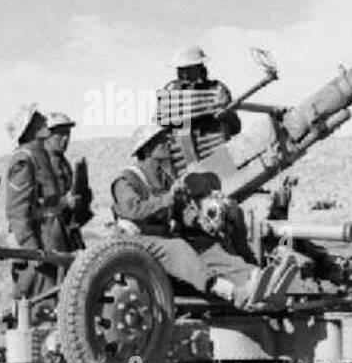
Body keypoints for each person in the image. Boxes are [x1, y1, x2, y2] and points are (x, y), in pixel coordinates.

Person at [111, 123, 272, 307]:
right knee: (177, 248)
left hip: (161, 237)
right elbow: (133, 210)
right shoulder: (126, 179)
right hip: (135, 239)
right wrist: (168, 199)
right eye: (161, 140)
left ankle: (252, 277)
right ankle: (227, 291)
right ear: (147, 149)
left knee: (207, 248)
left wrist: (201, 222)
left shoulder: (164, 177)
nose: (168, 142)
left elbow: (179, 211)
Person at [5, 104, 64, 304]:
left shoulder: (40, 154)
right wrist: (32, 249)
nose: (44, 119)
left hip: (49, 239)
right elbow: (16, 211)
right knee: (38, 304)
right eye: (38, 118)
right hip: (36, 244)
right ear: (29, 127)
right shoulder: (24, 159)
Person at [156, 45, 241, 165]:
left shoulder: (217, 89)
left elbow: (235, 127)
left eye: (188, 69)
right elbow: (162, 125)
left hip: (216, 151)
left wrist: (226, 115)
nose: (183, 75)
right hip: (184, 160)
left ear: (200, 68)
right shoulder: (170, 92)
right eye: (181, 70)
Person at [44, 111, 91, 252]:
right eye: (60, 134)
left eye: (68, 134)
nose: (65, 139)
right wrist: (64, 202)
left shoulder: (64, 164)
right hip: (44, 234)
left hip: (64, 231)